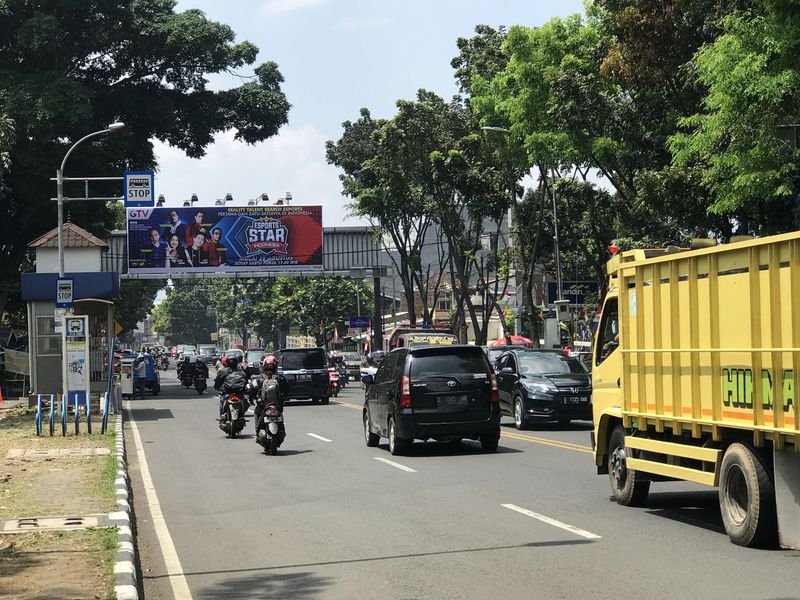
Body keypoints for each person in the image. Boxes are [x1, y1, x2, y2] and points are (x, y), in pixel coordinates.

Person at [253, 354, 287, 434]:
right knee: (280, 415)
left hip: (263, 405)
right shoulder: (280, 378)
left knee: (257, 412)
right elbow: (287, 389)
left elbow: (251, 388)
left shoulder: (260, 378)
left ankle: (257, 432)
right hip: (277, 405)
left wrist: (252, 398)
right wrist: (283, 398)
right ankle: (281, 430)